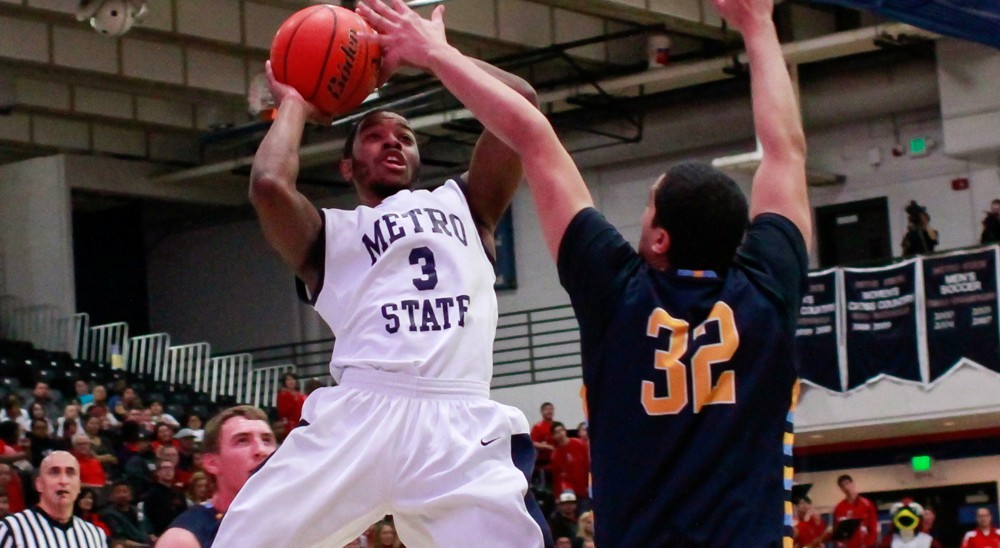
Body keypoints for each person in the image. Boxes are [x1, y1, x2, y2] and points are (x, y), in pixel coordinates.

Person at [357, 0, 810, 545]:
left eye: (649, 205)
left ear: (660, 239)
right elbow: (785, 153)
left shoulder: (618, 293)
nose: (640, 215)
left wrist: (436, 53)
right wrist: (758, 24)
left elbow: (534, 138)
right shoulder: (768, 289)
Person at [212, 4, 549, 545]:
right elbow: (270, 185)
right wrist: (295, 104)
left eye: (406, 136)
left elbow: (522, 107)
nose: (393, 140)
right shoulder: (329, 234)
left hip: (457, 421)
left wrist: (436, 57)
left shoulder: (467, 203)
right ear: (347, 167)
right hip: (359, 414)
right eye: (374, 135)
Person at [158, 406, 275, 547]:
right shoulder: (183, 539)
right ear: (212, 463)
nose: (261, 450)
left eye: (266, 440)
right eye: (242, 440)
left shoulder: (290, 519)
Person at [0, 451, 107, 547]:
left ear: (79, 486)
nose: (63, 481)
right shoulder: (10, 529)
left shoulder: (95, 535)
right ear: (39, 484)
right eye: (54, 472)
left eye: (70, 473)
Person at [548, 422, 589, 510]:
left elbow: (587, 465)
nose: (560, 434)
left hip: (583, 486)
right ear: (553, 436)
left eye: (562, 430)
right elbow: (557, 478)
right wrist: (557, 495)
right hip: (569, 489)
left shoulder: (579, 444)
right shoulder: (555, 455)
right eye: (557, 432)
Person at [101, 480, 153, 547]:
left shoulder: (138, 510)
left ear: (131, 495)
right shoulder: (108, 514)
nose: (122, 495)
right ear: (111, 496)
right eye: (118, 492)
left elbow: (148, 529)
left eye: (125, 491)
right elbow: (119, 538)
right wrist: (142, 546)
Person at [833, 475, 879, 548]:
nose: (846, 487)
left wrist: (866, 544)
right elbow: (837, 533)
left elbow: (873, 530)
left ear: (853, 484)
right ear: (841, 489)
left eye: (847, 483)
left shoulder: (867, 504)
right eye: (842, 486)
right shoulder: (838, 508)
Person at [531, 402, 556, 487]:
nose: (549, 411)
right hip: (544, 465)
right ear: (542, 412)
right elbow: (533, 443)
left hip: (557, 463)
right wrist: (548, 447)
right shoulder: (538, 427)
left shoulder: (557, 426)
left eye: (551, 409)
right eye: (547, 409)